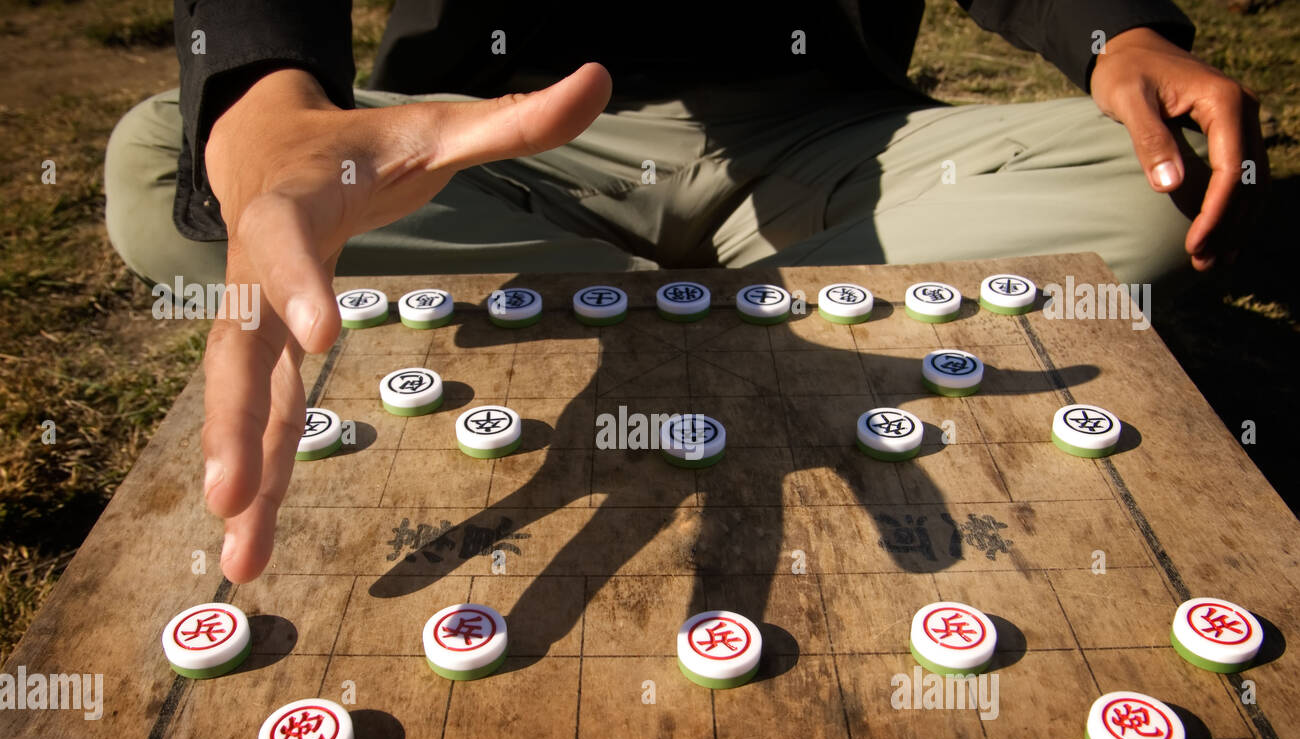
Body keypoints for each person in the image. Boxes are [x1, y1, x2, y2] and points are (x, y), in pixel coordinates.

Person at [103, 1, 1265, 584]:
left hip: (822, 145)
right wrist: (266, 116)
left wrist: (1113, 29)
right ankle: (734, 299)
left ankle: (634, 297)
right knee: (173, 167)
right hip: (505, 142)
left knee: (1152, 179)